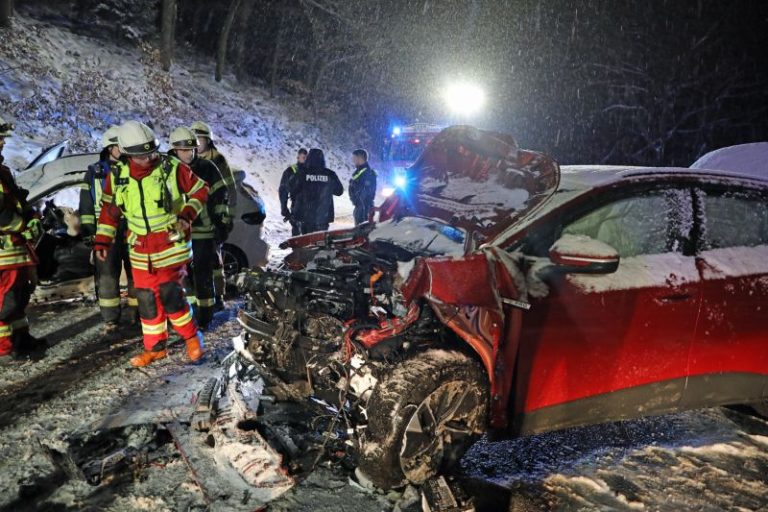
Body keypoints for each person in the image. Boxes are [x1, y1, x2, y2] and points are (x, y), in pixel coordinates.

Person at [93, 121, 208, 367]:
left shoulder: (171, 168)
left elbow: (201, 190)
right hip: (140, 249)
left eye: (152, 152)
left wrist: (186, 215)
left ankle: (192, 338)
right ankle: (155, 348)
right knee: (146, 299)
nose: (149, 158)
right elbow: (109, 211)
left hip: (169, 245)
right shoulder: (118, 176)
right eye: (142, 155)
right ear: (127, 154)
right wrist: (102, 240)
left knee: (171, 295)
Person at [168, 126, 232, 329]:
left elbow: (221, 195)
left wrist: (221, 222)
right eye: (184, 150)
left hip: (202, 230)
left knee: (203, 275)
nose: (189, 154)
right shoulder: (166, 169)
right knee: (183, 277)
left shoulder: (207, 167)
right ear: (174, 149)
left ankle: (205, 316)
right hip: (177, 233)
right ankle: (189, 315)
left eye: (192, 149)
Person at [80, 126, 137, 334]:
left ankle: (137, 313)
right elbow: (86, 205)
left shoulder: (132, 167)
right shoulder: (94, 172)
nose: (123, 149)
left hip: (131, 228)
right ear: (109, 148)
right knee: (107, 277)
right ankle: (111, 320)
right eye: (118, 145)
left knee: (135, 273)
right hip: (105, 230)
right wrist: (89, 232)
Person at [0, 116, 47, 361]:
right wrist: (22, 225)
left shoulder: (3, 171)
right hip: (4, 251)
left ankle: (21, 338)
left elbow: (16, 201)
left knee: (18, 297)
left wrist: (31, 217)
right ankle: (4, 348)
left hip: (14, 251)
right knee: (5, 302)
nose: (2, 143)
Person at [191, 120, 232, 308]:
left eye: (200, 139)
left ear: (208, 140)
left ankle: (219, 296)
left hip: (212, 217)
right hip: (195, 219)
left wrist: (225, 220)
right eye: (195, 139)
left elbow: (227, 190)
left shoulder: (217, 160)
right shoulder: (187, 161)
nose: (198, 143)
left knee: (215, 260)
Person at [289, 148, 343, 234]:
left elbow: (293, 191)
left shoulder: (302, 173)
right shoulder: (330, 174)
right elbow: (339, 191)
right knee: (321, 239)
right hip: (323, 216)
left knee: (306, 239)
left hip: (305, 215)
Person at [279, 148, 307, 236]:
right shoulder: (290, 171)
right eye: (303, 156)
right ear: (298, 157)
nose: (304, 158)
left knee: (301, 235)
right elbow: (283, 191)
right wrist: (284, 209)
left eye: (305, 157)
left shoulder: (312, 171)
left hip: (304, 208)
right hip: (298, 208)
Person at [348, 149, 377, 225]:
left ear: (360, 158)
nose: (352, 160)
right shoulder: (360, 172)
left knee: (362, 229)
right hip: (360, 207)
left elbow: (365, 194)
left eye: (354, 158)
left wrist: (360, 205)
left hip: (363, 209)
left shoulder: (367, 173)